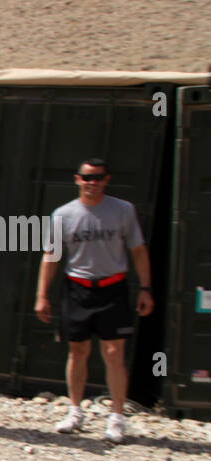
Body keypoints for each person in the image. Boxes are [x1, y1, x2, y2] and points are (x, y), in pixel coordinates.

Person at [35, 158, 154, 443]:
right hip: (78, 287)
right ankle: (75, 411)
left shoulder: (123, 210)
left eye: (98, 177)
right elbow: (51, 256)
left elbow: (138, 250)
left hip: (113, 287)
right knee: (77, 351)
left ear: (106, 180)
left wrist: (146, 287)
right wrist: (42, 295)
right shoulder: (63, 214)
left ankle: (116, 417)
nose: (93, 182)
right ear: (77, 179)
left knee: (113, 353)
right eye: (87, 177)